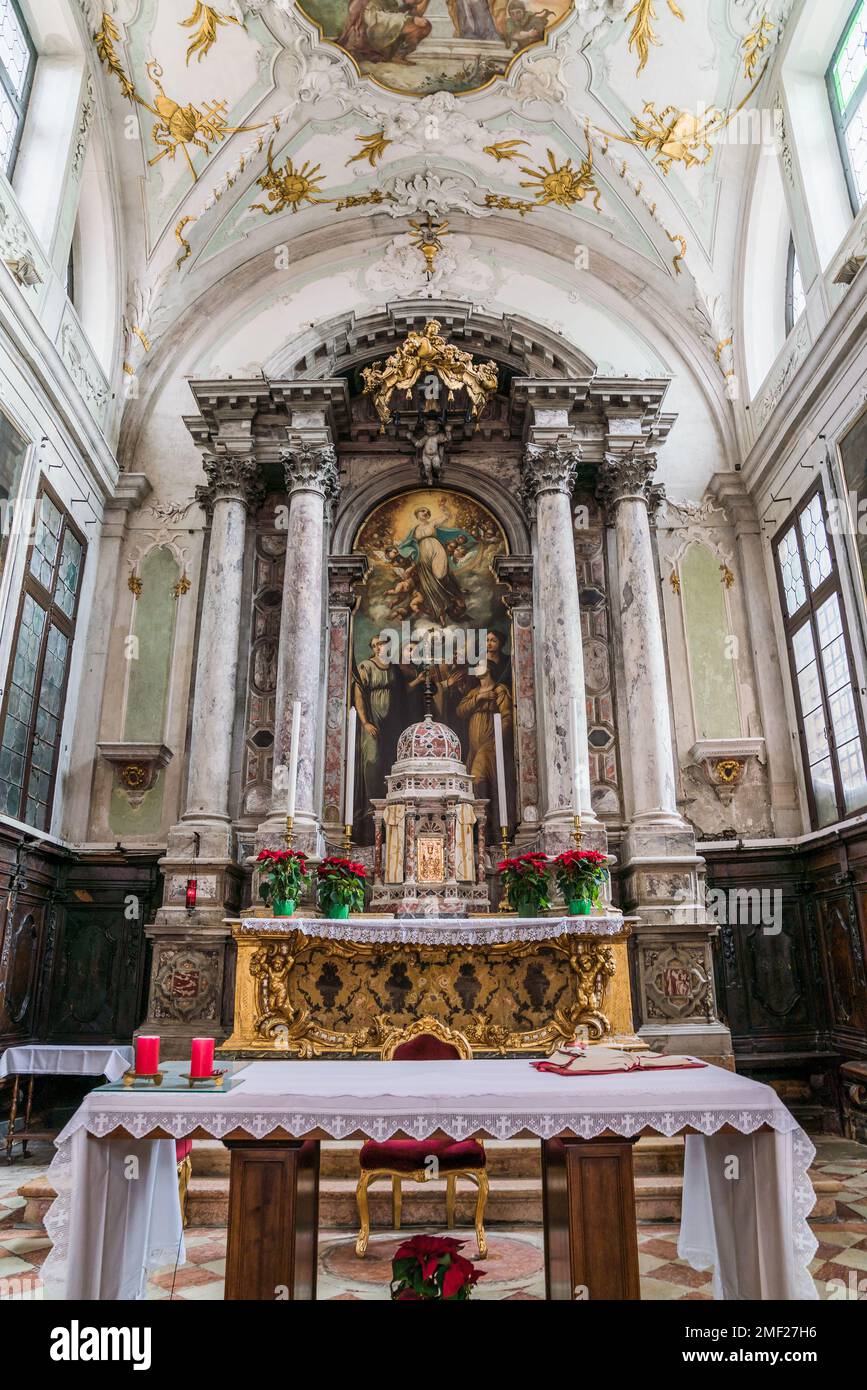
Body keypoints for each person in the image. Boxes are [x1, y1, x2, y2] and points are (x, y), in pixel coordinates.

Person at [396, 506, 475, 624]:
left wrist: (443, 507)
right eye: (423, 511)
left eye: (428, 512)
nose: (426, 513)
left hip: (436, 548)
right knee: (429, 580)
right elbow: (407, 543)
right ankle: (439, 609)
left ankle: (454, 594)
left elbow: (446, 517)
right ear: (417, 514)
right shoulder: (414, 530)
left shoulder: (432, 523)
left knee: (439, 574)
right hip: (422, 553)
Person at [457, 665, 513, 820]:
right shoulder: (474, 692)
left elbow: (507, 717)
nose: (475, 668)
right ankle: (479, 828)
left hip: (490, 744)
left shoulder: (499, 690)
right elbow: (460, 710)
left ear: (488, 668)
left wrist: (498, 740)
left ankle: (488, 822)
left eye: (479, 664)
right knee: (471, 784)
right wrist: (479, 698)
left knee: (478, 776)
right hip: (474, 748)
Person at [338, 0, 432, 66]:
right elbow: (372, 18)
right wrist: (409, 19)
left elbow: (395, 8)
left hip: (388, 24)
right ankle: (393, 56)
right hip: (371, 32)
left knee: (424, 26)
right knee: (423, 26)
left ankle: (398, 56)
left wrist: (409, 10)